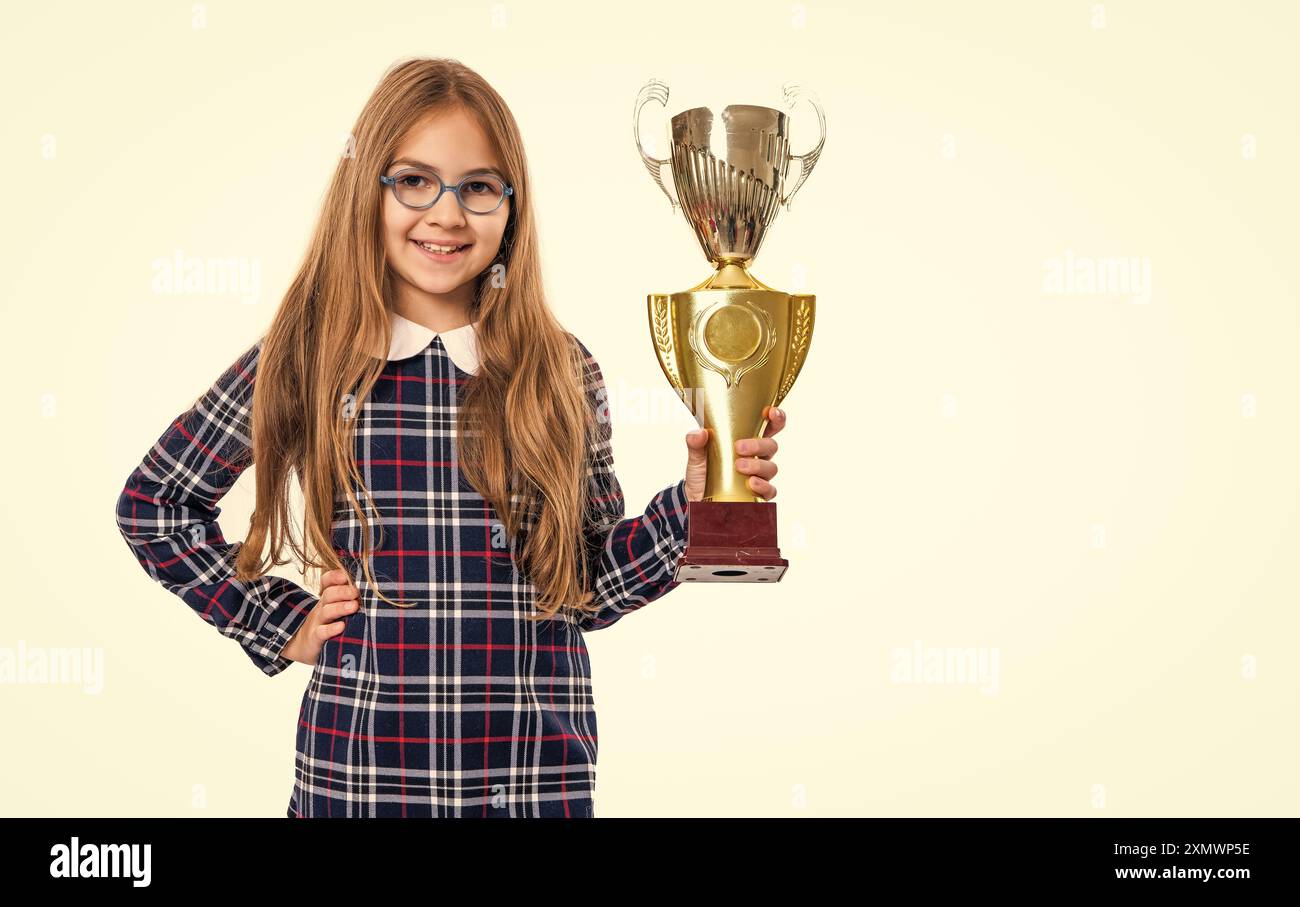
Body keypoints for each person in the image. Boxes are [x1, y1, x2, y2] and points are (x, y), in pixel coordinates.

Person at [114, 57, 786, 818]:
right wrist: (278, 624)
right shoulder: (309, 355)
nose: (446, 214)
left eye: (476, 186)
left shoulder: (561, 369)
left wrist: (695, 508)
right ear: (367, 189)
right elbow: (155, 503)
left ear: (511, 206)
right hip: (358, 788)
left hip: (535, 787)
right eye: (413, 181)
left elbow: (588, 587)